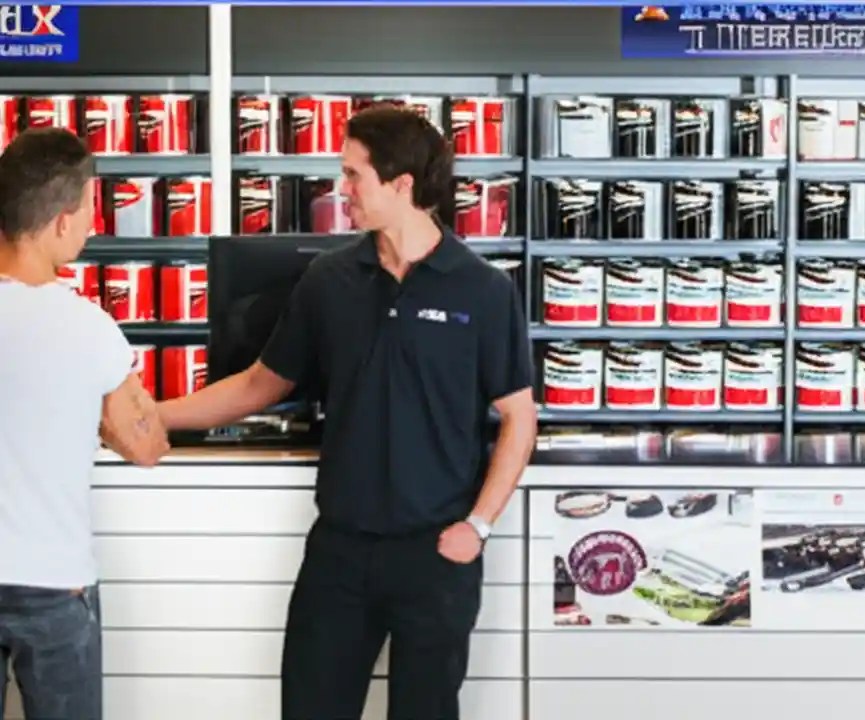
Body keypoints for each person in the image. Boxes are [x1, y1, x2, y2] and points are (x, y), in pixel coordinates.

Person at [158, 105, 538, 720]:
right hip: (338, 553)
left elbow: (519, 418)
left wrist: (480, 527)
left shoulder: (483, 289)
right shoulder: (328, 280)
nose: (342, 189)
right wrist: (158, 415)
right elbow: (260, 383)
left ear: (401, 184)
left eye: (353, 174)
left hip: (435, 555)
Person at [0, 128, 170, 720]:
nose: (93, 227)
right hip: (53, 585)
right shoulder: (87, 326)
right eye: (88, 212)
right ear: (60, 223)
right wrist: (92, 414)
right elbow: (147, 446)